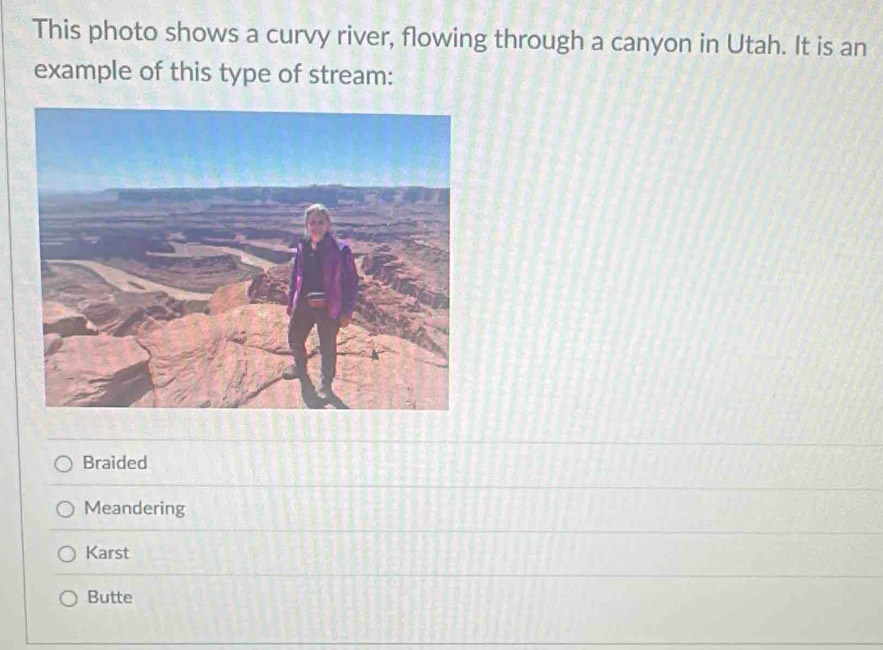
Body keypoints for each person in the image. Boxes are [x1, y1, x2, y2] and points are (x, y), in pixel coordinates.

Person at [283, 204, 358, 406]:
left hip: (329, 307)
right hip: (305, 304)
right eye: (312, 222)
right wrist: (292, 300)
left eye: (320, 222)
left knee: (327, 347)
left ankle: (325, 385)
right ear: (307, 225)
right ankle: (300, 367)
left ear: (328, 224)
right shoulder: (303, 246)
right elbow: (295, 275)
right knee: (294, 338)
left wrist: (347, 310)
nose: (316, 226)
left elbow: (351, 281)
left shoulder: (340, 249)